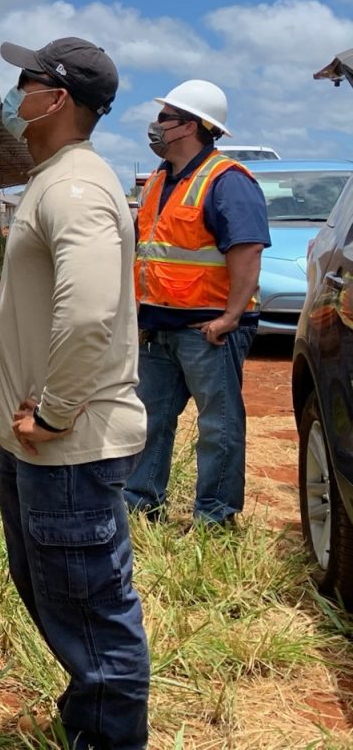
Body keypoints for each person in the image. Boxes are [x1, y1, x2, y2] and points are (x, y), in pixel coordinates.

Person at [0, 37, 149, 750]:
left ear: (55, 99)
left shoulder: (73, 187)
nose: (11, 95)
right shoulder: (60, 179)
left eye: (21, 82)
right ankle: (88, 728)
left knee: (93, 619)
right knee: (67, 605)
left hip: (67, 446)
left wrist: (55, 410)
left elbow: (88, 313)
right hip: (43, 444)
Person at [124, 80, 269, 530]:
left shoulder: (227, 181)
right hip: (160, 327)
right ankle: (141, 504)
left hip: (208, 329)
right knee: (150, 421)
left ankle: (214, 517)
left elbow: (246, 251)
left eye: (164, 118)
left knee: (218, 427)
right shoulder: (159, 182)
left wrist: (229, 318)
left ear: (189, 126)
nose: (156, 126)